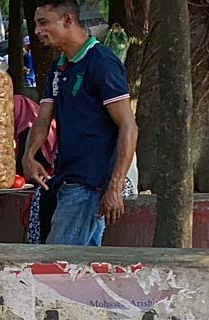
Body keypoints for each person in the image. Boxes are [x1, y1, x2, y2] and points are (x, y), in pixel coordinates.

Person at [24, 0, 137, 246]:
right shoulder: (58, 67)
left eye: (43, 23)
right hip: (68, 177)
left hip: (89, 182)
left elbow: (129, 126)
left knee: (56, 264)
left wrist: (115, 187)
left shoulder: (102, 63)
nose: (36, 31)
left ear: (67, 20)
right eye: (35, 24)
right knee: (81, 269)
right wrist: (28, 157)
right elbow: (43, 118)